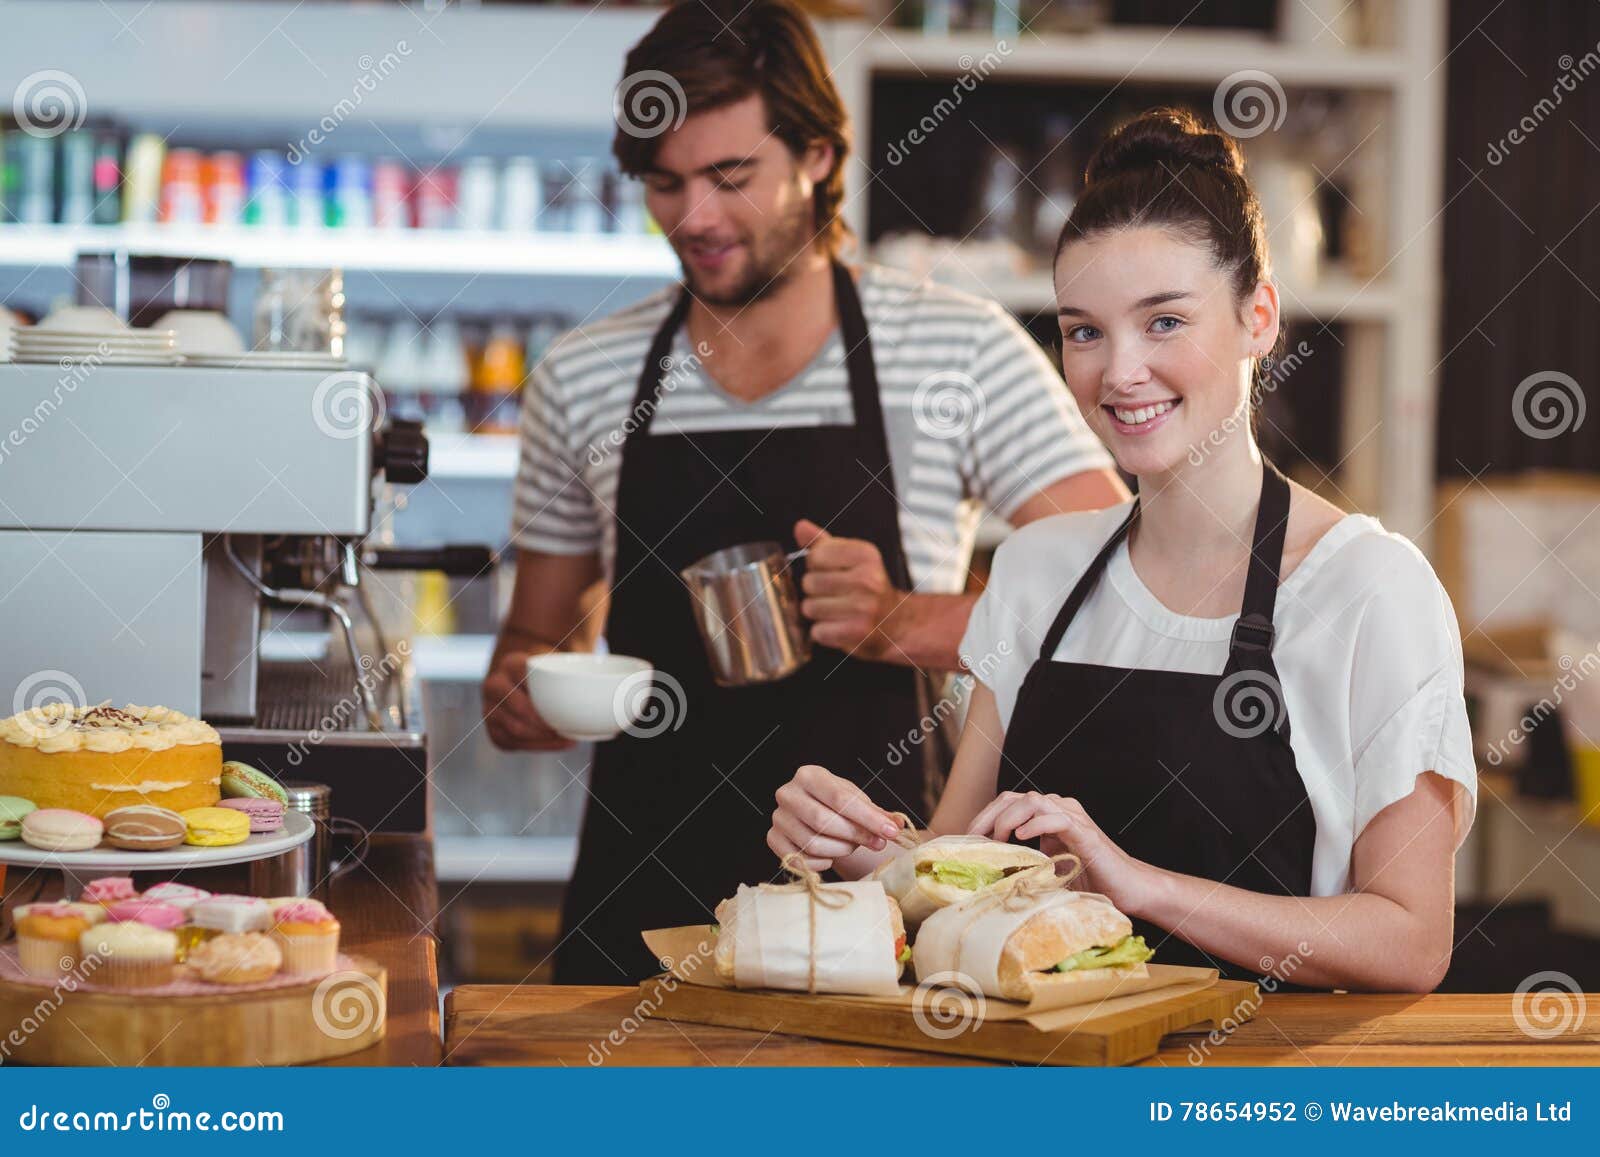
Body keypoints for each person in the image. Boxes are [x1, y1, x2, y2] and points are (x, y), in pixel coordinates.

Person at [482, 0, 1126, 985]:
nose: (693, 217)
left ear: (819, 154)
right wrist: (527, 696)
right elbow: (532, 648)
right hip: (640, 909)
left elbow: (1113, 601)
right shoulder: (585, 377)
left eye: (730, 177)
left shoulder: (955, 348)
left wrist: (904, 619)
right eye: (665, 184)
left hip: (887, 905)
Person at [768, 108, 1478, 993]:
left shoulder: (1371, 589)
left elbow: (1411, 940)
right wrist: (860, 848)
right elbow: (947, 881)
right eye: (1084, 331)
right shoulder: (1038, 571)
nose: (1119, 372)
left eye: (1165, 322)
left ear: (1259, 316)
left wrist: (1140, 886)